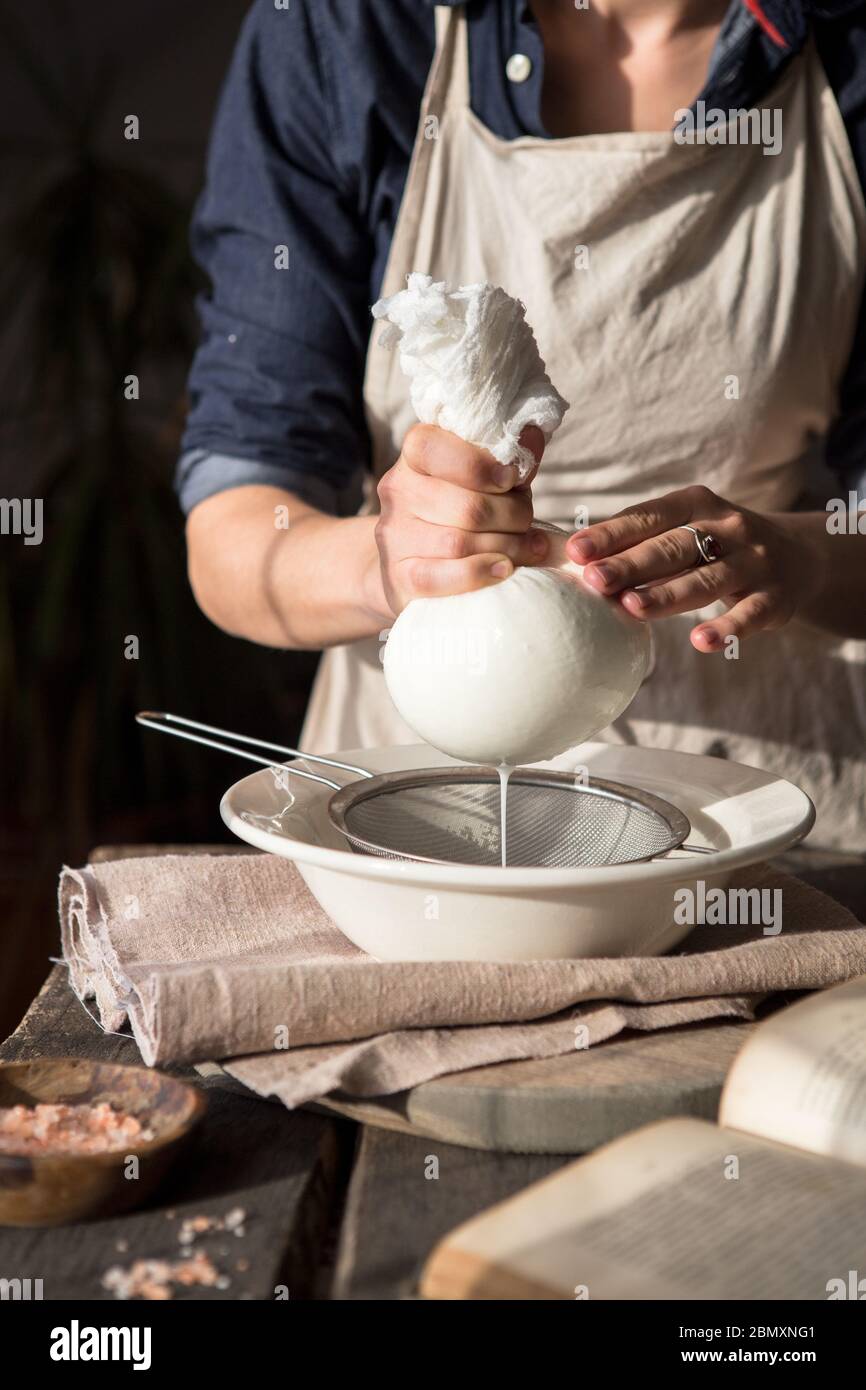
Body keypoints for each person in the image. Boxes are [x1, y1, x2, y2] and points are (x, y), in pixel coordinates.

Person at [177, 0, 866, 850]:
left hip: (758, 817)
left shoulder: (848, 41)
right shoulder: (348, 28)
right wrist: (387, 567)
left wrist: (805, 553)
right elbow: (231, 541)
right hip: (414, 804)